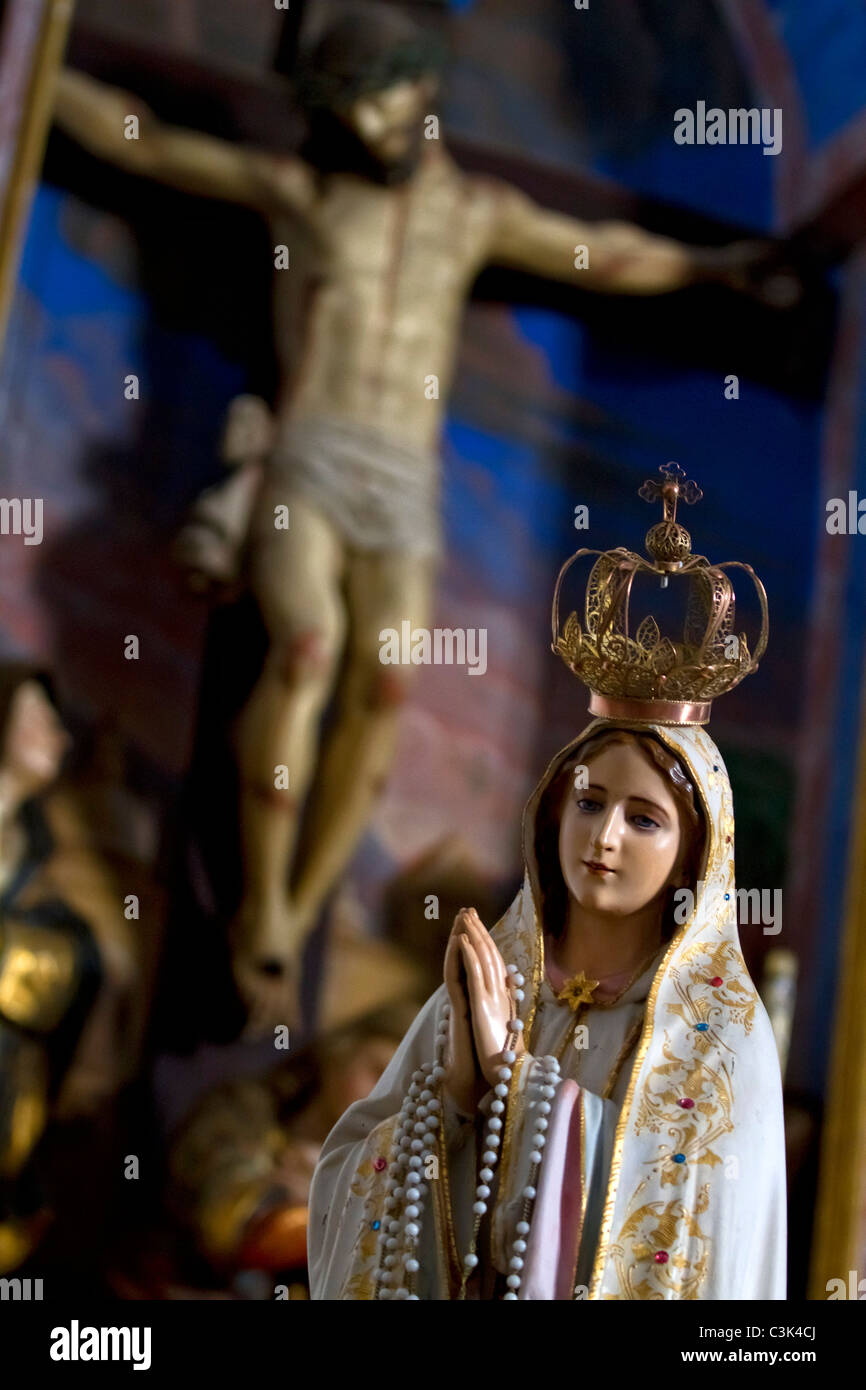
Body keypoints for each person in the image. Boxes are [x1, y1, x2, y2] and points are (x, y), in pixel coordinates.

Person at [52, 5, 798, 1029]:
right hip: (313, 454)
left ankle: (301, 905)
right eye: (343, 104)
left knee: (386, 681)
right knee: (306, 649)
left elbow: (603, 252)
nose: (363, 122)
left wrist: (719, 271)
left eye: (377, 94)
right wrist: (32, 58)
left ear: (416, 88)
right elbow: (144, 143)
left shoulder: (471, 216)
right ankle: (262, 910)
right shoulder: (303, 194)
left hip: (401, 481)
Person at [307, 468, 786, 1299]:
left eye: (644, 819)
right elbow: (344, 1179)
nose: (602, 837)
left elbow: (692, 1237)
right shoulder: (495, 977)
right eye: (589, 803)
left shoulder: (719, 1041)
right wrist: (456, 1097)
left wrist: (516, 1083)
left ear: (695, 851)